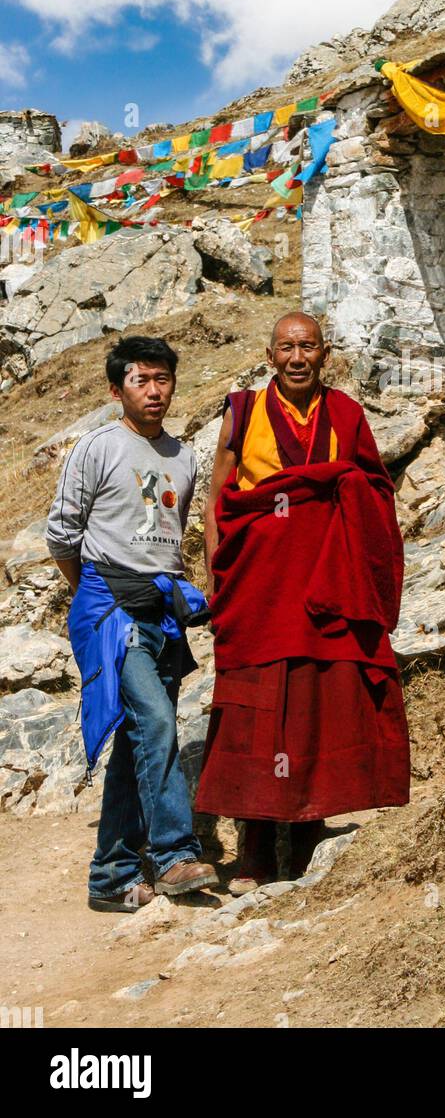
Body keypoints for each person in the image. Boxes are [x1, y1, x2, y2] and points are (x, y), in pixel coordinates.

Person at [195, 311, 410, 893]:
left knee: (322, 692)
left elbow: (376, 490)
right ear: (270, 356)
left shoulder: (346, 414)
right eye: (286, 348)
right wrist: (220, 576)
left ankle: (312, 826)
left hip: (327, 586)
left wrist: (345, 488)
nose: (297, 358)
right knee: (256, 701)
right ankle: (256, 847)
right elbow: (218, 499)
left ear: (325, 354)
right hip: (259, 586)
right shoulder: (241, 412)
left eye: (307, 347)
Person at [46, 336, 218, 912]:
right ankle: (173, 856)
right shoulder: (97, 447)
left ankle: (111, 875)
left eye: (162, 379)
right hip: (109, 611)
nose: (153, 390)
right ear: (117, 387)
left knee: (137, 741)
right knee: (158, 721)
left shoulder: (183, 456)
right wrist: (94, 593)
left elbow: (172, 536)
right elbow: (61, 534)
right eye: (141, 380)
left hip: (161, 612)